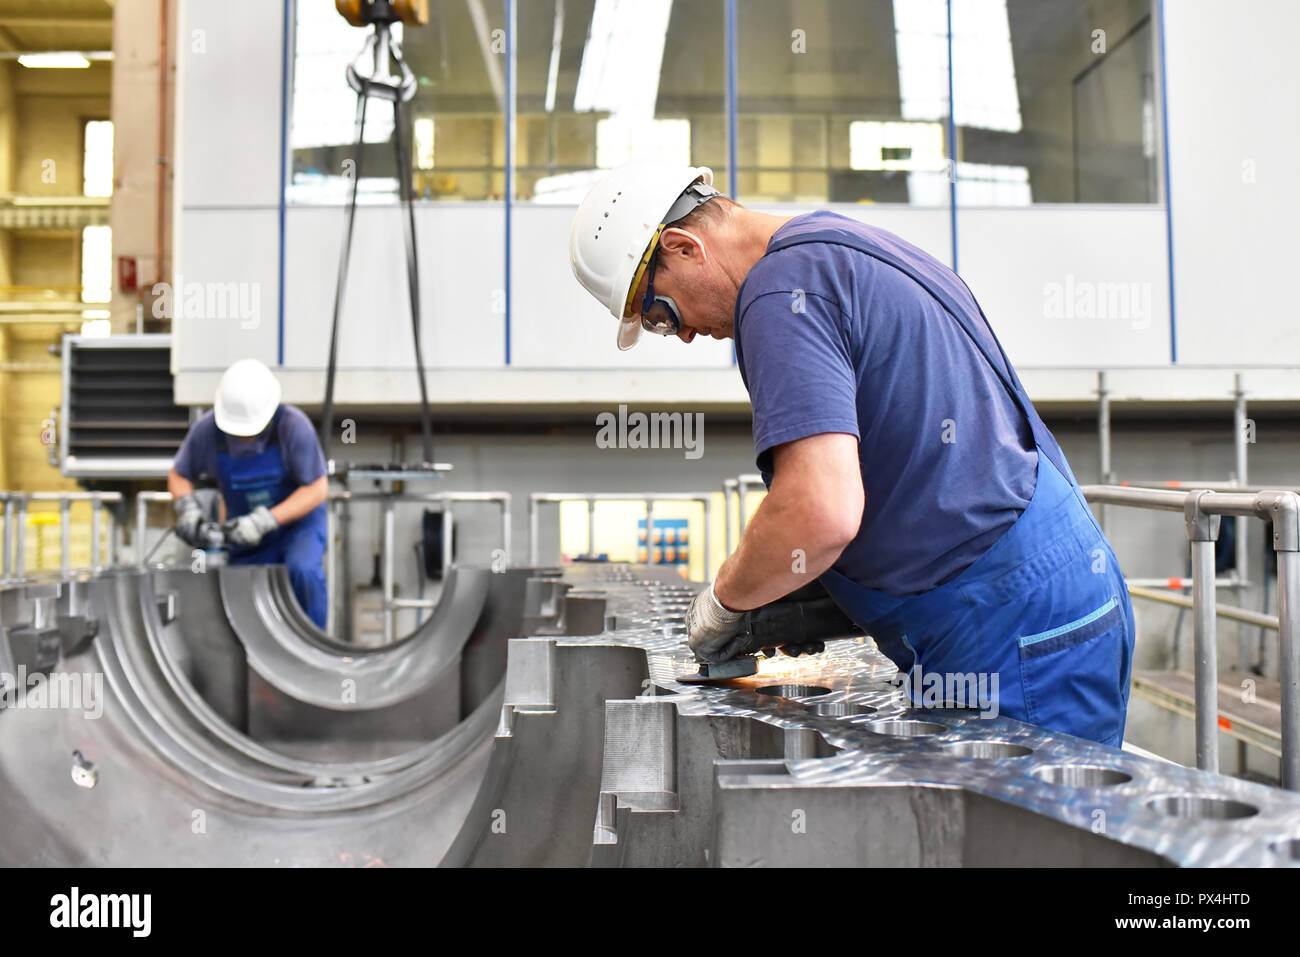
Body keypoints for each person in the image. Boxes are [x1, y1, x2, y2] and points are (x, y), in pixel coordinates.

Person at [568, 163, 1135, 747]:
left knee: (1023, 831)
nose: (682, 333)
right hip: (1041, 602)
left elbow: (819, 513)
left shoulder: (778, 296)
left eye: (662, 314)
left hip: (1009, 628)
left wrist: (724, 603)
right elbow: (920, 467)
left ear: (684, 247)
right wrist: (813, 593)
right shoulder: (843, 247)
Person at [167, 359, 330, 629]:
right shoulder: (208, 431)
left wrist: (265, 520)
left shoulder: (293, 427)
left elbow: (317, 488)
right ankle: (253, 659)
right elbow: (178, 475)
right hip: (243, 531)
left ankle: (313, 650)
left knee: (303, 570)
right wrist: (187, 507)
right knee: (242, 590)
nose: (243, 439)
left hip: (298, 527)